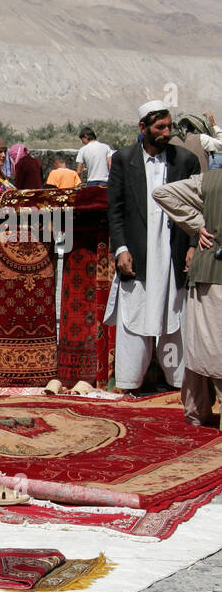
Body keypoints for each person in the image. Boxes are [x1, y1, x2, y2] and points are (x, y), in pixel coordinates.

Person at [106, 100, 201, 392]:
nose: (167, 132)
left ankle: (178, 382)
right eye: (160, 127)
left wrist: (194, 244)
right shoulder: (123, 159)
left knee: (176, 314)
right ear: (143, 128)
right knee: (135, 312)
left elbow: (199, 207)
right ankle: (130, 380)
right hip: (139, 250)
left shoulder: (185, 161)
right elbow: (116, 209)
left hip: (173, 250)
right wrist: (121, 248)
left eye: (169, 126)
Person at [152, 169, 222, 425]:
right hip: (212, 273)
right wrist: (198, 224)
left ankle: (197, 411)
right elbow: (162, 193)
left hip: (210, 272)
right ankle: (198, 410)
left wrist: (198, 223)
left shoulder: (210, 180)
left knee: (204, 342)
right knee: (209, 343)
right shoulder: (210, 181)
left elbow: (163, 193)